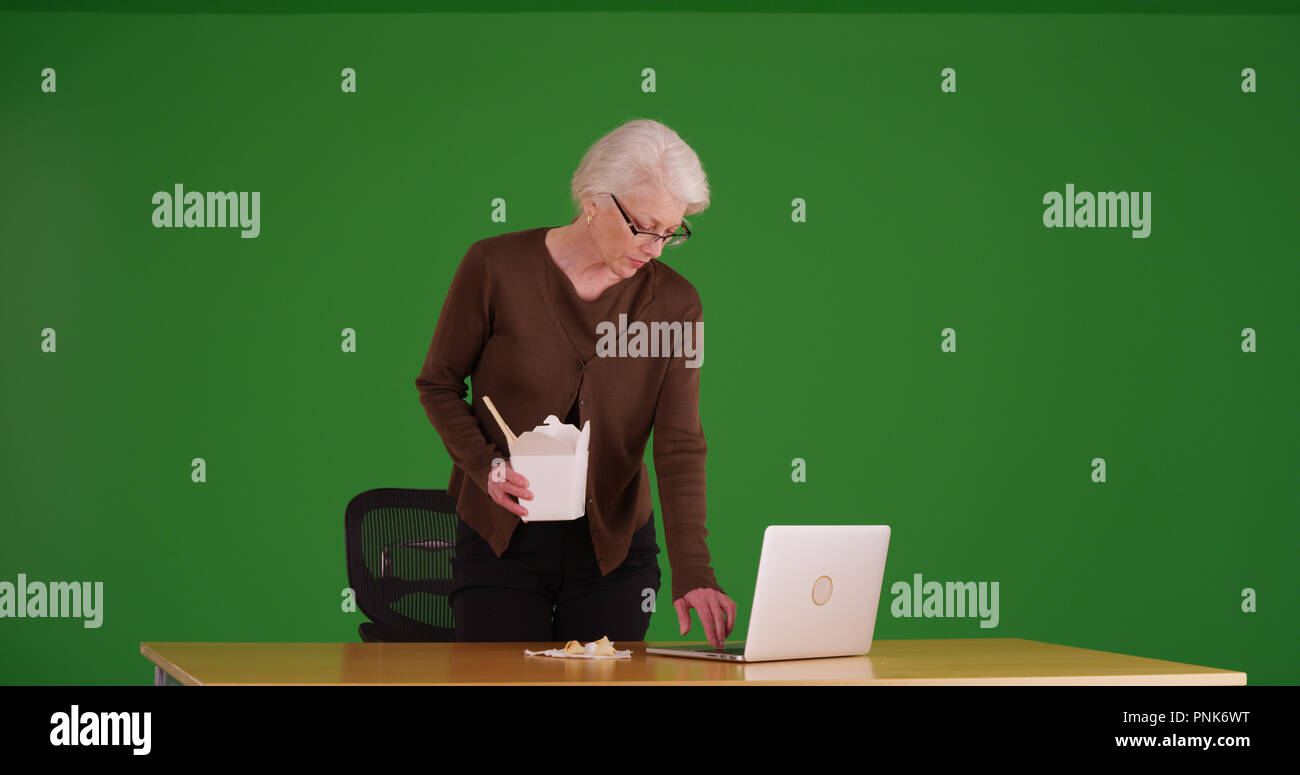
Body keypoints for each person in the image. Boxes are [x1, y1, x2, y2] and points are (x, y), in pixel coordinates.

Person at [416, 118, 736, 649]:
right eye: (643, 227)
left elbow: (679, 442)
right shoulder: (493, 267)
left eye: (671, 232)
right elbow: (439, 384)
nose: (655, 248)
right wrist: (486, 466)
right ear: (593, 201)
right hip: (499, 542)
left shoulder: (677, 304)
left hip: (614, 551)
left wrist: (694, 569)